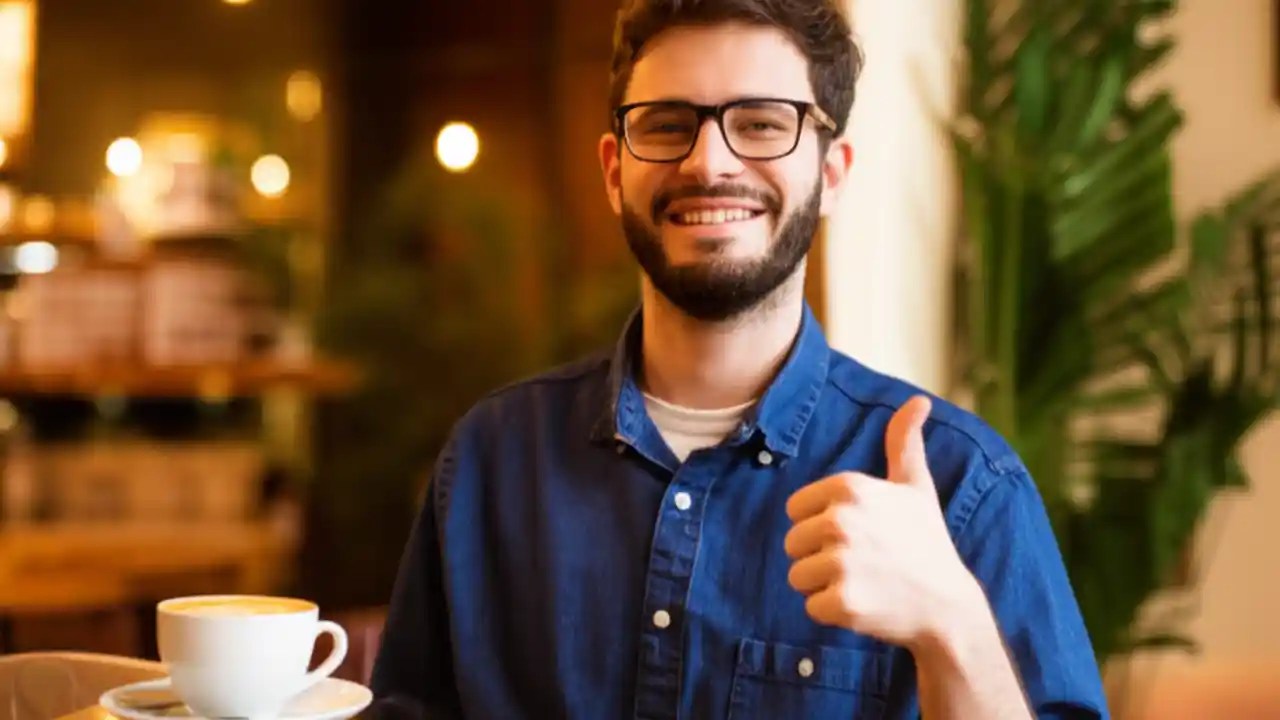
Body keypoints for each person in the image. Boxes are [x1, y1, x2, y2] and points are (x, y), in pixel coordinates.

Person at [370, 0, 1109, 717]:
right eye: (667, 126)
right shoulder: (492, 460)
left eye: (761, 124)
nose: (709, 162)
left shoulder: (961, 486)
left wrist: (952, 624)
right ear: (613, 172)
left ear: (833, 174)